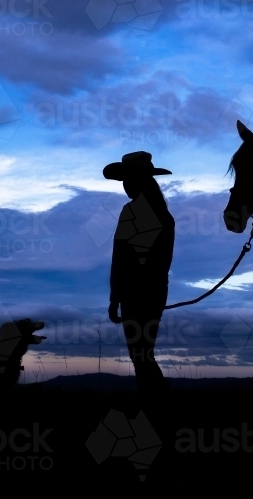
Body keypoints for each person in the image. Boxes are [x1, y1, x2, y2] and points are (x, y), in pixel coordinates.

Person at [103, 151, 175, 393]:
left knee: (140, 355)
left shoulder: (132, 211)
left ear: (138, 180)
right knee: (145, 353)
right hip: (155, 292)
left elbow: (121, 259)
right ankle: (157, 406)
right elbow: (161, 262)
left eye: (127, 179)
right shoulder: (164, 215)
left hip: (135, 294)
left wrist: (115, 298)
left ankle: (155, 407)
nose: (125, 185)